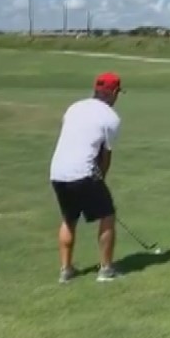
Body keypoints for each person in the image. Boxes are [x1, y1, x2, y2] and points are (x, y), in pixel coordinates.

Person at [48, 72, 124, 283]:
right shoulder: (111, 117)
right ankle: (106, 269)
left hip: (58, 172)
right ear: (114, 92)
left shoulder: (74, 107)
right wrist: (101, 179)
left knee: (69, 219)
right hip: (83, 173)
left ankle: (66, 270)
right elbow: (105, 156)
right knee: (107, 215)